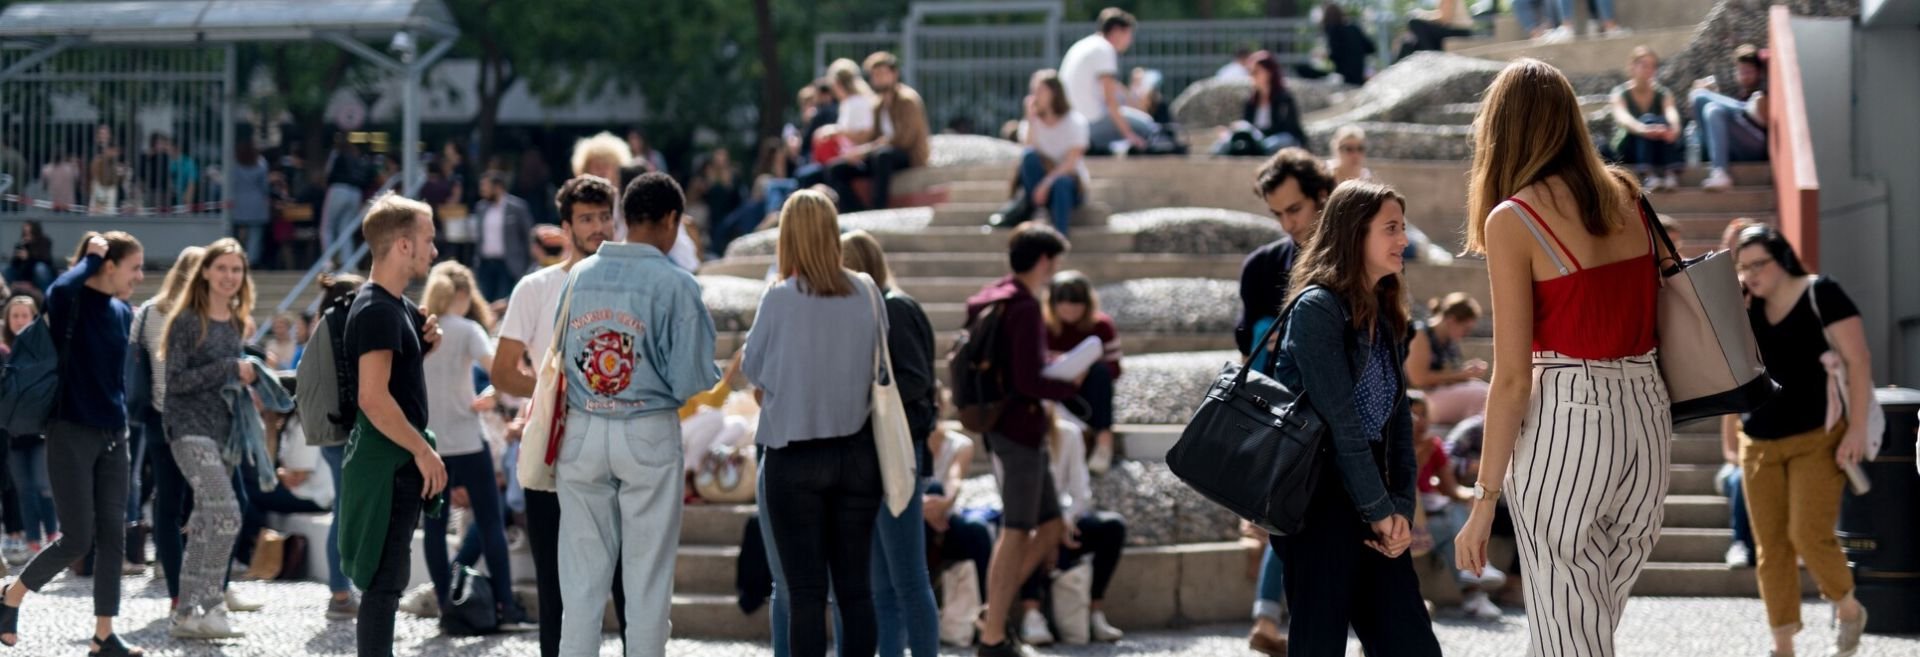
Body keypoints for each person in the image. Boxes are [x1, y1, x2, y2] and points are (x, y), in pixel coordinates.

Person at [1455, 59, 1672, 657]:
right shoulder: (1628, 195)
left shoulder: (1514, 219)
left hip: (1568, 420)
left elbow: (1511, 380)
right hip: (1648, 419)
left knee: (1567, 631)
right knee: (1577, 626)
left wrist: (1483, 502)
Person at [1268, 180, 1438, 656]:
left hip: (1374, 509)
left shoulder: (1381, 313)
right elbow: (1341, 424)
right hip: (1319, 511)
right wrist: (1381, 511)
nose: (1404, 239)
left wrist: (1401, 507)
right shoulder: (1317, 309)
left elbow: (1398, 423)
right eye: (1391, 228)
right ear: (1353, 234)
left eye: (1402, 227)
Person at [555, 172, 718, 657]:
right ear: (671, 220)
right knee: (647, 579)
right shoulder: (676, 284)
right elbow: (692, 379)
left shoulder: (580, 276)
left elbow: (561, 355)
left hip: (584, 427)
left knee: (581, 583)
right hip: (647, 429)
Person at [745, 190, 891, 657]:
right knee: (856, 590)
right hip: (857, 452)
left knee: (807, 593)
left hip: (795, 454)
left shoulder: (779, 298)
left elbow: (754, 370)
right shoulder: (867, 290)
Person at [0, 231, 146, 657]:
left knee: (113, 537)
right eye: (134, 267)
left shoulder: (122, 312)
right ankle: (12, 595)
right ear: (108, 266)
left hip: (114, 434)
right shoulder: (72, 303)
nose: (139, 275)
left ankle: (104, 635)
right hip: (69, 433)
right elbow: (59, 288)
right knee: (77, 539)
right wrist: (92, 255)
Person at [490, 174, 619, 657]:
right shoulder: (536, 287)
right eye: (587, 218)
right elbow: (504, 371)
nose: (598, 227)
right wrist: (555, 391)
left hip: (616, 447)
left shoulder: (629, 284)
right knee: (554, 579)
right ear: (565, 227)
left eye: (605, 216)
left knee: (623, 577)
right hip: (552, 446)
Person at [1727, 226, 1871, 657]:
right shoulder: (1746, 307)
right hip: (1759, 440)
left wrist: (1859, 429)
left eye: (1758, 264)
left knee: (1808, 535)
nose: (1750, 274)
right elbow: (1735, 374)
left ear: (1782, 258)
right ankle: (1783, 644)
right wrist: (1735, 310)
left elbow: (1858, 361)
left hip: (1817, 436)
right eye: (1743, 266)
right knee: (1770, 547)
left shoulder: (1821, 294)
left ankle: (1847, 606)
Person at [1234, 148, 1335, 657]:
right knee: (1289, 530)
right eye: (1277, 213)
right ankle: (1273, 623)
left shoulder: (1355, 254)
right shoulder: (1262, 267)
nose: (1287, 223)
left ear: (1322, 197)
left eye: (1294, 209)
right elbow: (1248, 352)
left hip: (1345, 425)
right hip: (1284, 424)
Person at [338, 192, 448, 657]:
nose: (434, 250)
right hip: (391, 467)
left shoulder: (393, 305)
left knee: (388, 583)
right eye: (428, 239)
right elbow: (372, 397)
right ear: (403, 245)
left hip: (395, 465)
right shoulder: (379, 309)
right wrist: (422, 451)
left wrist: (424, 348)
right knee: (384, 587)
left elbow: (394, 384)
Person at [966, 223, 1082, 657]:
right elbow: (1028, 381)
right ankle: (993, 636)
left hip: (1005, 427)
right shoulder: (1025, 307)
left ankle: (991, 613)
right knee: (1016, 531)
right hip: (1019, 430)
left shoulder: (992, 297)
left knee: (1050, 525)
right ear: (1045, 261)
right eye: (1054, 263)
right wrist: (1072, 383)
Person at [840, 230, 940, 657]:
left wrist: (864, 389)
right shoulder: (870, 307)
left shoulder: (894, 307)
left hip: (895, 449)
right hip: (872, 452)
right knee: (882, 584)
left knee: (908, 578)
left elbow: (917, 380)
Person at [418, 261, 531, 632]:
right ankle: (506, 607)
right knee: (489, 523)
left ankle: (446, 608)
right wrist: (492, 392)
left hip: (431, 443)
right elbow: (499, 369)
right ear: (464, 295)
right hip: (468, 439)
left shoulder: (420, 330)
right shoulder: (468, 330)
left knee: (435, 529)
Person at [157, 237, 256, 639]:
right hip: (187, 430)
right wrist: (229, 368)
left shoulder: (235, 321)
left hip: (223, 434)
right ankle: (213, 605)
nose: (230, 276)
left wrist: (244, 378)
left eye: (236, 270)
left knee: (202, 523)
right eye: (222, 268)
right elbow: (175, 382)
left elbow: (225, 378)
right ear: (206, 272)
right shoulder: (185, 321)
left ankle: (185, 616)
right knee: (229, 514)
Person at [1014, 418, 1126, 645]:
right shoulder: (1011, 435)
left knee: (1113, 527)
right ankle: (1031, 614)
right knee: (1027, 534)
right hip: (1027, 520)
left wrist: (1060, 524)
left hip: (1065, 519)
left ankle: (1095, 612)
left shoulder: (1068, 433)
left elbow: (1081, 492)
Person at [1405, 392, 1506, 621]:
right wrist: (1419, 457)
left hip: (1435, 518)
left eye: (1423, 415)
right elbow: (1405, 485)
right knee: (1454, 518)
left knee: (1457, 512)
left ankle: (1475, 587)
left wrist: (1476, 496)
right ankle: (1476, 576)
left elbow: (1452, 489)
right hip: (1409, 521)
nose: (1419, 421)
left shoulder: (1434, 446)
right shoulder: (1395, 447)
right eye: (1413, 415)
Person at [571, 132, 701, 271]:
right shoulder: (581, 203)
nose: (602, 171)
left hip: (670, 263)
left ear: (618, 167)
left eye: (607, 165)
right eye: (595, 166)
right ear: (584, 169)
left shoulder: (632, 197)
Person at [827, 52, 931, 214]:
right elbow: (872, 138)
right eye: (875, 75)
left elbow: (904, 140)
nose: (878, 79)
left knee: (883, 155)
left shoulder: (907, 100)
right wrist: (857, 152)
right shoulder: (877, 104)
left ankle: (878, 208)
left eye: (882, 74)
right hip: (880, 154)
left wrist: (868, 149)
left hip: (907, 155)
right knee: (837, 168)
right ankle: (855, 211)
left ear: (894, 73)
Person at [990, 69, 1090, 234]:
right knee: (1029, 157)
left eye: (1040, 90)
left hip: (1067, 185)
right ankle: (1034, 207)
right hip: (1038, 184)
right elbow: (1028, 150)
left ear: (1054, 92)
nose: (1035, 95)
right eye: (1033, 91)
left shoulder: (1074, 122)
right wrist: (1031, 119)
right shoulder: (1031, 122)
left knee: (1061, 183)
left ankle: (1059, 237)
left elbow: (1071, 163)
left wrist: (1047, 183)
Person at [1045, 271, 1122, 475]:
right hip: (1054, 389)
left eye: (1076, 303)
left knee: (1100, 372)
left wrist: (1085, 368)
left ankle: (1103, 438)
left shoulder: (1101, 325)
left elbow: (1115, 367)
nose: (1070, 309)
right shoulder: (1043, 326)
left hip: (1087, 390)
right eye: (1063, 303)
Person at [0, 296, 54, 559]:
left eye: (25, 315)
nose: (20, 321)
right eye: (15, 316)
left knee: (43, 486)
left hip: (38, 431)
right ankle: (29, 539)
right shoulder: (4, 352)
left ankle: (52, 535)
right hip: (10, 432)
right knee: (21, 487)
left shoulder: (43, 349)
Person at [1061, 8, 1158, 154]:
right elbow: (1110, 101)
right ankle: (1119, 144)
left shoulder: (1084, 45)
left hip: (1069, 123)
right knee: (1148, 126)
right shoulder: (1105, 50)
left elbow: (1111, 87)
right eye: (1129, 34)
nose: (1130, 40)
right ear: (1117, 31)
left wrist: (1129, 99)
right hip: (1089, 125)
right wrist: (1129, 135)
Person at [1692, 45, 1769, 192]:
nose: (1744, 75)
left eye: (1748, 71)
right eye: (1741, 71)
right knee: (1710, 108)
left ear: (1758, 72)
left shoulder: (1763, 94)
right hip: (1736, 148)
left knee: (1701, 97)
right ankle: (1718, 170)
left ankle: (1720, 171)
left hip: (1757, 146)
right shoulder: (1736, 95)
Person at [1404, 293, 1490, 426]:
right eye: (1465, 329)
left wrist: (1466, 372)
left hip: (1441, 394)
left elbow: (1448, 373)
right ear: (1451, 320)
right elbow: (1418, 379)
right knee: (1481, 395)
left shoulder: (1449, 341)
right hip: (1422, 400)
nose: (1465, 334)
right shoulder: (1421, 334)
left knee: (1485, 390)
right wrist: (1462, 375)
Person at [1610, 47, 1684, 192]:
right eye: (1644, 65)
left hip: (1656, 144)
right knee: (1649, 120)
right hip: (1630, 146)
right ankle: (1649, 174)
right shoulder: (1620, 93)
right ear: (1632, 66)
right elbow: (1622, 117)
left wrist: (1673, 129)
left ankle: (1669, 174)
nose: (1648, 70)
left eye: (1652, 66)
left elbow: (1671, 112)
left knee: (1662, 123)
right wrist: (1643, 129)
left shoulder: (1662, 93)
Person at [1213, 51, 1307, 156]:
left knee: (1281, 141)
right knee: (1226, 142)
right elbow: (1248, 128)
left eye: (1256, 72)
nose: (1252, 76)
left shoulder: (1284, 99)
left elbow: (1289, 130)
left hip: (1276, 140)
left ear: (1269, 72)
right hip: (1256, 140)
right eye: (1250, 72)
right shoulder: (1251, 101)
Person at [472, 171, 537, 302]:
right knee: (485, 302)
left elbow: (529, 236)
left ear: (498, 187)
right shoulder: (481, 208)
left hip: (507, 264)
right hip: (485, 264)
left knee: (503, 303)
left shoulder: (517, 207)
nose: (482, 190)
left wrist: (528, 264)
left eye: (486, 186)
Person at [321, 134, 370, 252]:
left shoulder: (336, 154)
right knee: (346, 230)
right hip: (355, 192)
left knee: (327, 228)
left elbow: (328, 174)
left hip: (338, 189)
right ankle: (348, 263)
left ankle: (327, 263)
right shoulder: (356, 156)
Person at [231, 143, 273, 262]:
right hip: (256, 202)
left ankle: (235, 257)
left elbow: (230, 182)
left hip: (238, 201)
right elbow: (264, 186)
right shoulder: (261, 163)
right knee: (255, 234)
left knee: (236, 232)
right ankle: (252, 260)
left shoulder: (234, 163)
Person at [1322, 3, 1376, 85]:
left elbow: (1336, 54)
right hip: (1359, 75)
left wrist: (1325, 55)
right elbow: (1371, 48)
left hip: (1345, 77)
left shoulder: (1334, 31)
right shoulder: (1354, 28)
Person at [1400, 0, 1475, 58]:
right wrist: (1422, 14)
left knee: (1414, 22)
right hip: (1450, 30)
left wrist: (1421, 16)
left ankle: (1433, 57)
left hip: (1458, 31)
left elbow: (1445, 19)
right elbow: (1441, 13)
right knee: (1408, 44)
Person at [7, 221, 56, 294]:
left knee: (40, 268)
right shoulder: (22, 244)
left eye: (29, 232)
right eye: (25, 232)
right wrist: (17, 256)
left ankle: (47, 296)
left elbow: (46, 259)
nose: (27, 235)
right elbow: (14, 265)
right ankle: (7, 296)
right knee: (6, 270)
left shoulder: (44, 241)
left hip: (39, 274)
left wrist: (29, 257)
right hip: (25, 274)